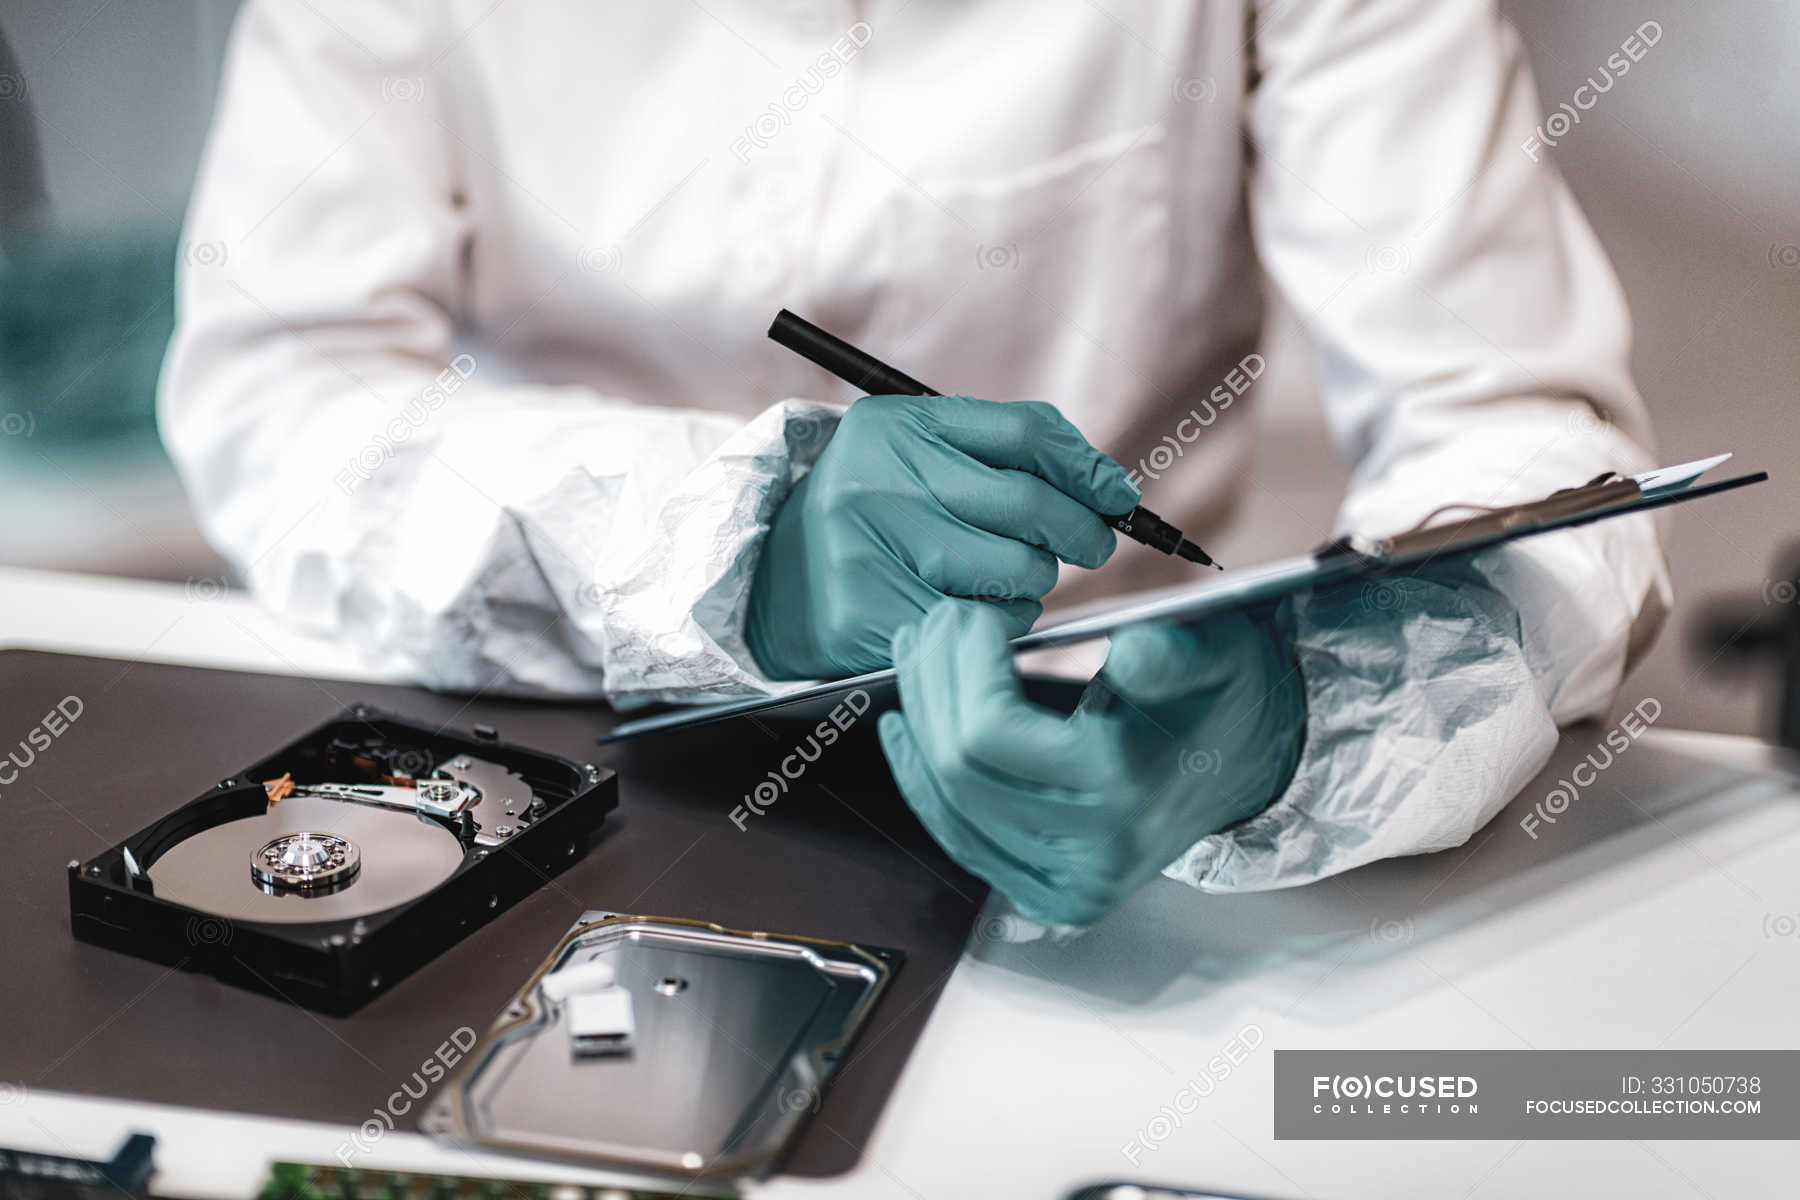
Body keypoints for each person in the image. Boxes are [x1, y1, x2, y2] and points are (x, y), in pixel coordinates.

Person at [160, 0, 1669, 925]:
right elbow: (276, 398)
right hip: (524, 734)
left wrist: (1311, 716)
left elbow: (1519, 432)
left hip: (1106, 759)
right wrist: (734, 542)